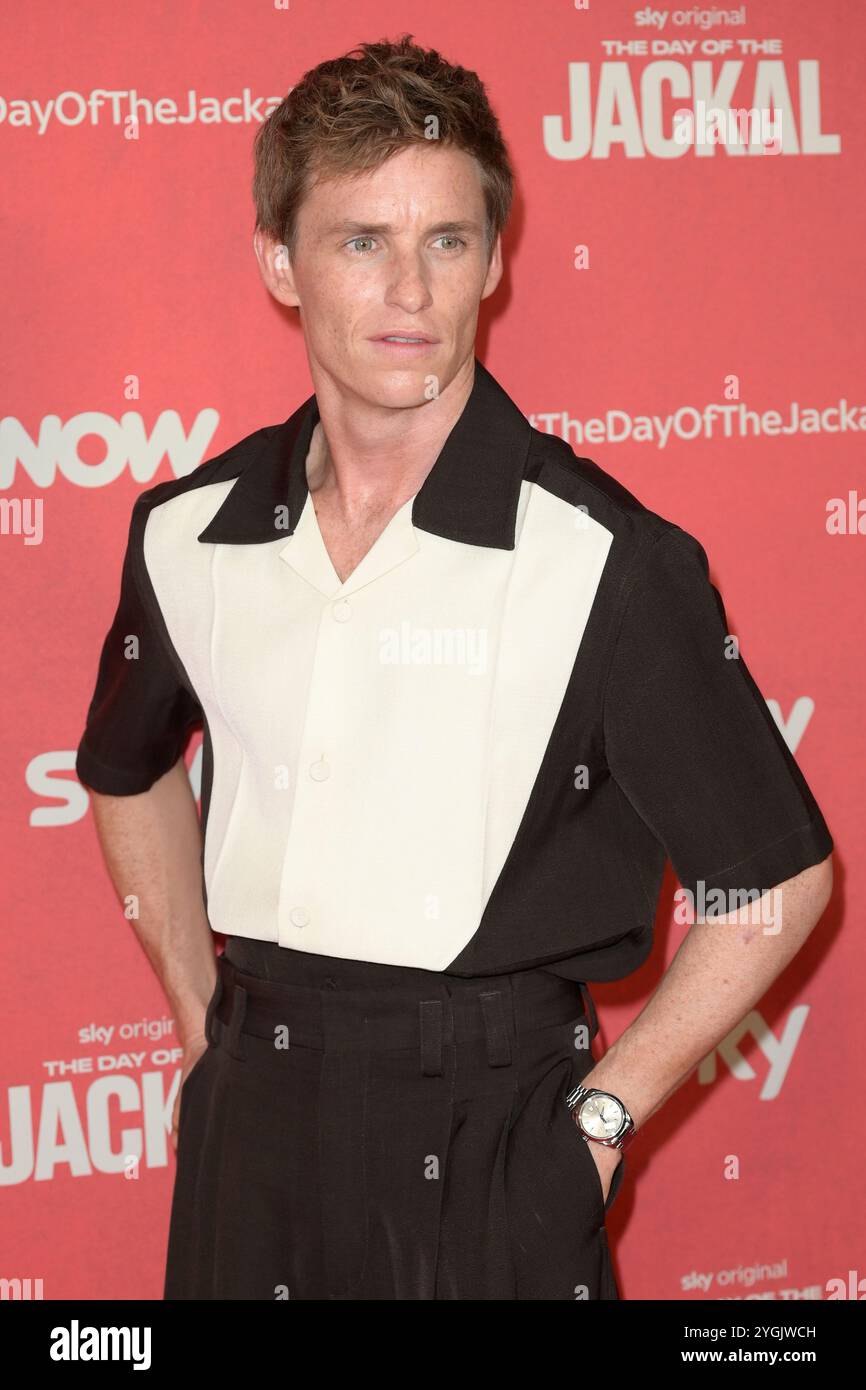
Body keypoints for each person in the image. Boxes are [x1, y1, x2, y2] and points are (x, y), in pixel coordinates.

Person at [75, 35, 834, 1301]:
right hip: (248, 1115)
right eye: (361, 239)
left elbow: (780, 876)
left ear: (493, 258)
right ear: (280, 260)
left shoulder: (605, 557)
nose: (411, 290)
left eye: (447, 240)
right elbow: (122, 766)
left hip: (494, 1133)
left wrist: (599, 1125)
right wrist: (193, 1007)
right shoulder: (186, 532)